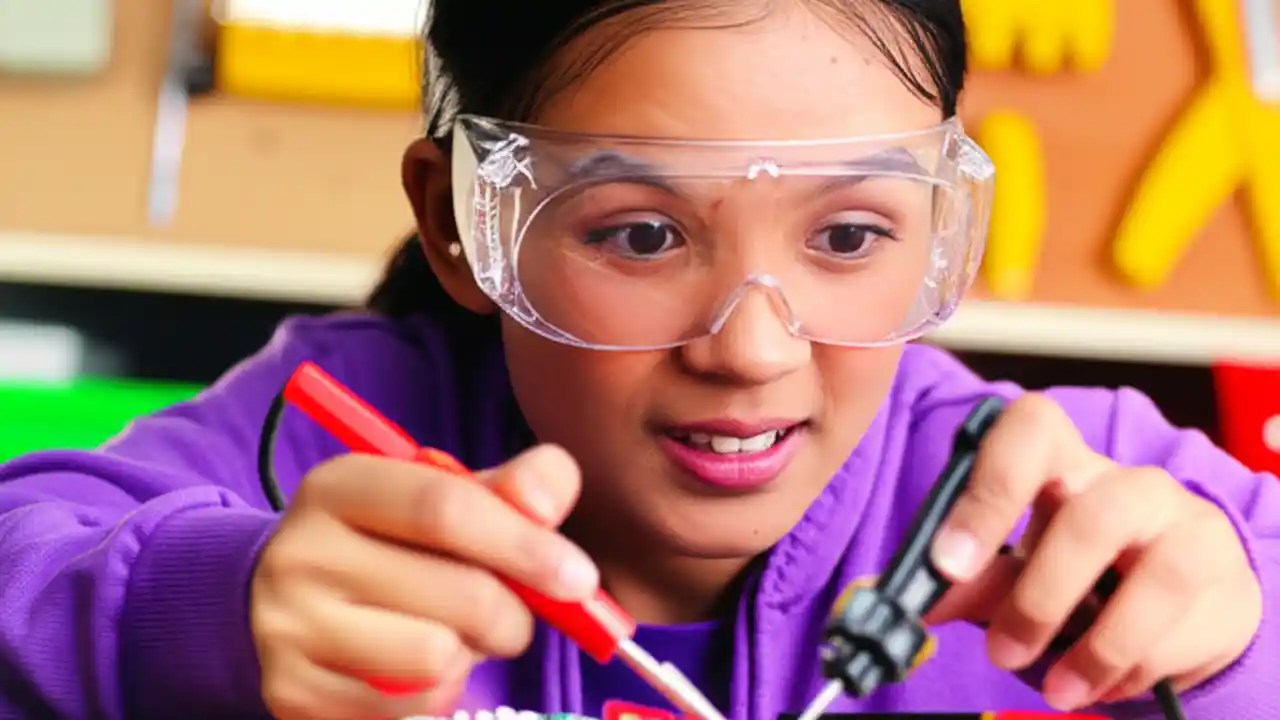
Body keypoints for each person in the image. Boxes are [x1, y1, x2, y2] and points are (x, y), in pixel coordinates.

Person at [0, 0, 1276, 718]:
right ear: (460, 224)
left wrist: (1233, 649)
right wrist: (208, 623)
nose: (754, 349)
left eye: (847, 233)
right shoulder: (316, 447)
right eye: (642, 233)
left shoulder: (1077, 505)